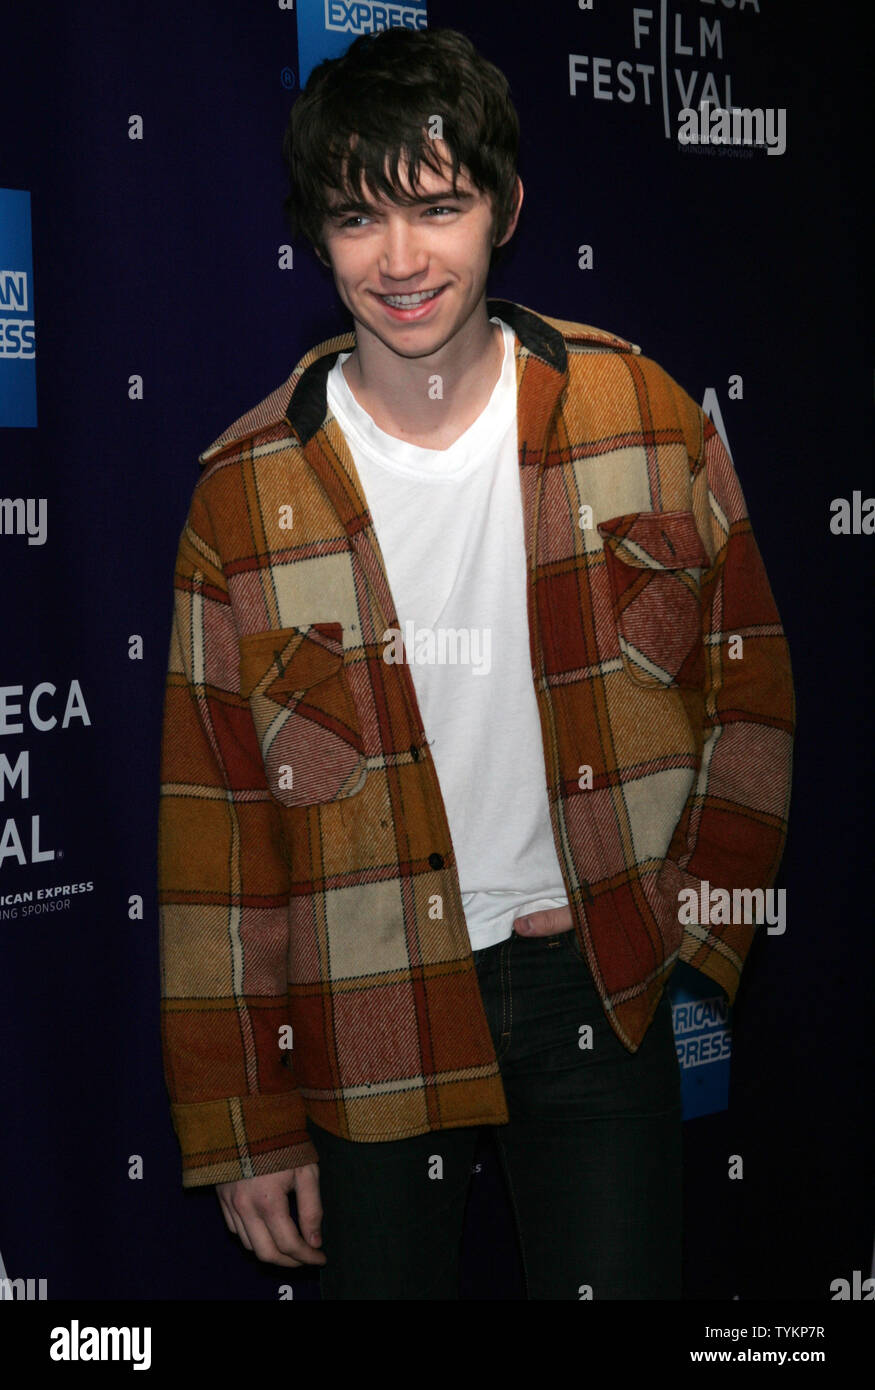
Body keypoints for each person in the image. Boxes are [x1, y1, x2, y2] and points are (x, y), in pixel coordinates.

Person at [157, 25, 795, 1300]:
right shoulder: (241, 496)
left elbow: (752, 695)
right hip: (367, 1009)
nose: (400, 262)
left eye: (437, 208)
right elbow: (219, 845)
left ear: (504, 208)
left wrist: (680, 918)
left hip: (594, 997)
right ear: (316, 238)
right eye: (356, 219)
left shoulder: (640, 411)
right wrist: (248, 1123)